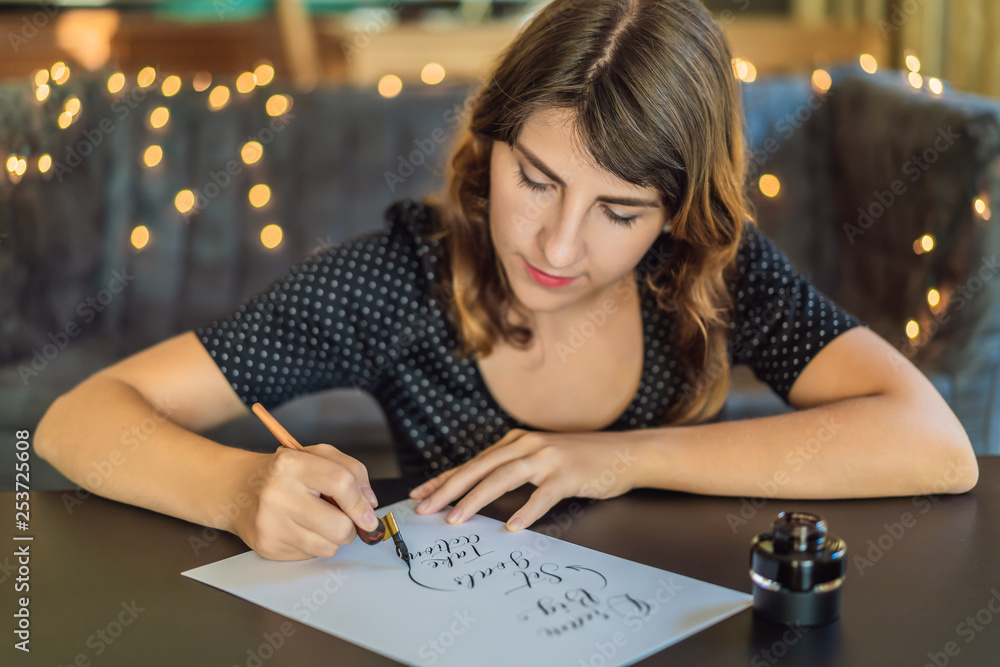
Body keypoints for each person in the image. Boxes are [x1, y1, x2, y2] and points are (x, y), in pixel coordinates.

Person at [35, 0, 978, 562]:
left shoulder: (705, 274)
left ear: (676, 216)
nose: (560, 248)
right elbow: (78, 420)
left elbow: (937, 445)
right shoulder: (395, 284)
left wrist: (615, 455)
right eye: (537, 179)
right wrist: (241, 490)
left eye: (620, 212)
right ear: (490, 141)